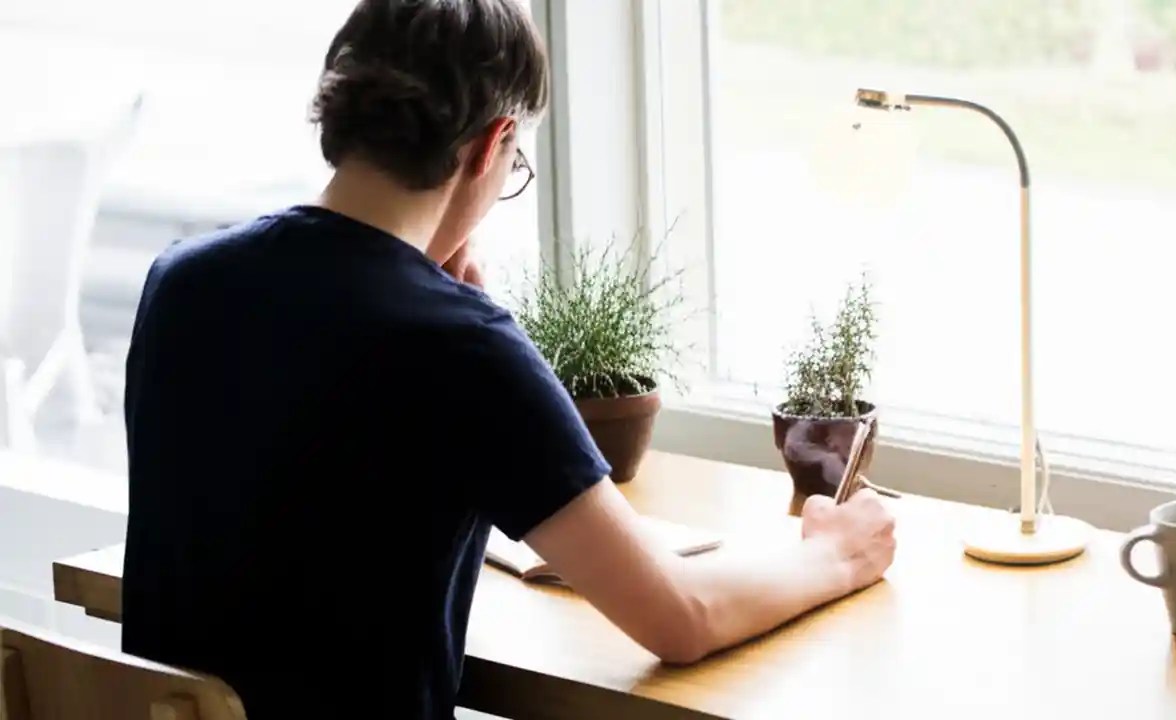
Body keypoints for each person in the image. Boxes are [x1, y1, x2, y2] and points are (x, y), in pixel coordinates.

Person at [120, 1, 897, 718]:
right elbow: (680, 617)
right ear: (493, 143)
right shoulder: (457, 345)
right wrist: (835, 557)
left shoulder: (183, 279)